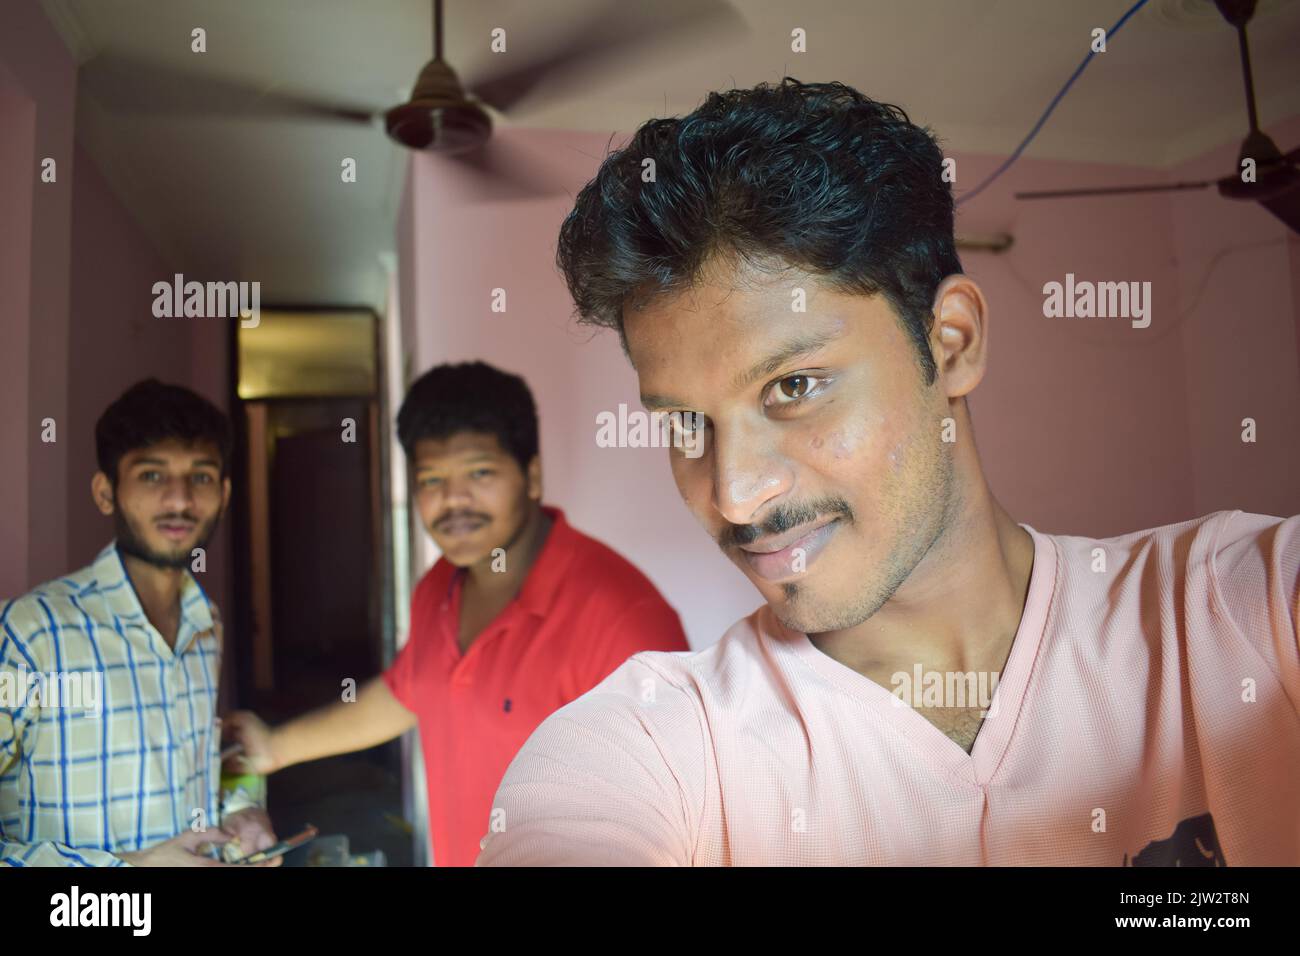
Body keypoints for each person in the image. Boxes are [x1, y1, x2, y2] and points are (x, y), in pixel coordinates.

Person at [476, 79, 1300, 866]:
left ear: (950, 344)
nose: (734, 493)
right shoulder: (652, 745)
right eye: (688, 423)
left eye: (793, 387)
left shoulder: (1240, 613)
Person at [226, 361, 689, 866]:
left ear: (532, 476)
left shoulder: (624, 620)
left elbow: (673, 825)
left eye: (479, 473)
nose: (453, 500)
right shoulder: (438, 588)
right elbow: (412, 691)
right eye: (431, 479)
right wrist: (276, 746)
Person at [0, 379, 276, 866]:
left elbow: (195, 770)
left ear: (225, 493)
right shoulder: (31, 632)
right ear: (106, 492)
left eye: (202, 476)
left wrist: (242, 813)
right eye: (151, 476)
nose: (179, 500)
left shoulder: (204, 624)